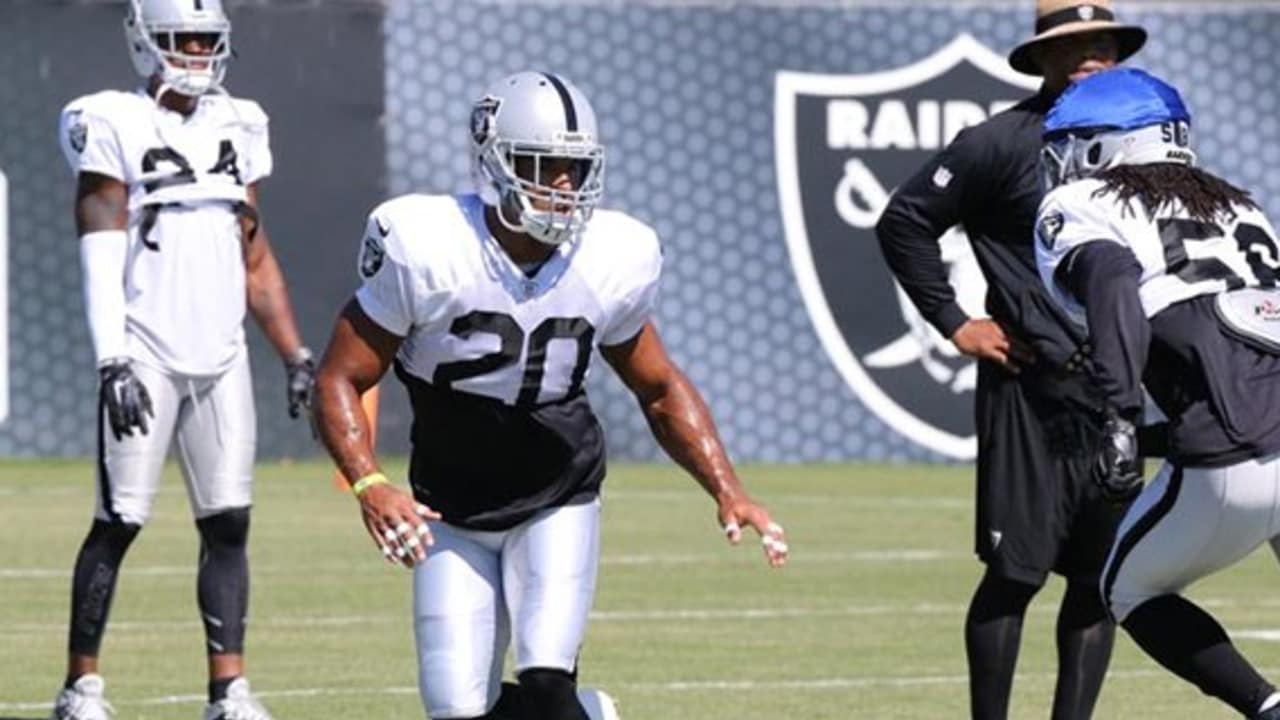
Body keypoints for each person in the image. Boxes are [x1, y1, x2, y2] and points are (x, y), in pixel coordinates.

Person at [312, 70, 788, 720]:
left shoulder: (613, 256)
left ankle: (572, 705)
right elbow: (340, 376)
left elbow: (658, 387)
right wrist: (369, 484)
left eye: (575, 168)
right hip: (447, 505)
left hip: (556, 493)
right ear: (494, 162)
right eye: (543, 166)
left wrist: (727, 489)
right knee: (458, 711)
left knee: (545, 681)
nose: (563, 185)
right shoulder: (426, 248)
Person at [874, 1, 1148, 718]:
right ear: (1041, 56)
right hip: (1029, 390)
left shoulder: (1146, 146)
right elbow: (904, 221)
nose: (1087, 56)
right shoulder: (998, 142)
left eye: (1100, 42)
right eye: (1070, 44)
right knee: (1014, 575)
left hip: (1117, 395)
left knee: (1100, 581)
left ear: (1118, 52)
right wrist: (954, 320)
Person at [50, 1, 314, 718]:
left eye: (206, 39)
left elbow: (253, 253)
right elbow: (99, 248)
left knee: (228, 524)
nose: (197, 52)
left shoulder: (240, 123)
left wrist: (293, 351)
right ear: (144, 41)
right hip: (146, 353)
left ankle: (228, 690)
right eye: (182, 39)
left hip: (222, 357)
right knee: (119, 520)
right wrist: (113, 360)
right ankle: (80, 687)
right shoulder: (111, 120)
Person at [1036, 66, 1280, 720]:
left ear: (1107, 144)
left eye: (1072, 144)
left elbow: (1113, 281)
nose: (1061, 162)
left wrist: (1118, 414)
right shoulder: (1238, 205)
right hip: (1260, 423)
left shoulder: (1085, 201)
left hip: (1237, 451)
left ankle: (1267, 708)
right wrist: (1146, 434)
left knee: (1128, 587)